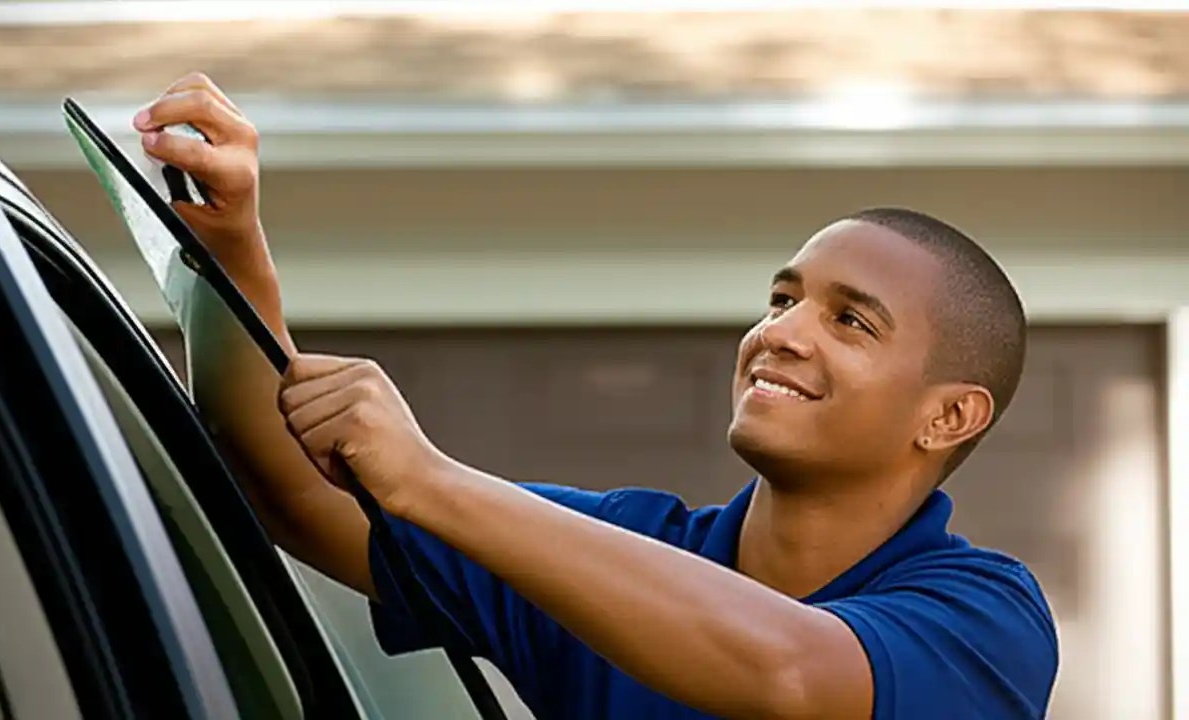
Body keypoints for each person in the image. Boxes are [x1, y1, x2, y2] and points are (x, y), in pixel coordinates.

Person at [133, 73, 1059, 719]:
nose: (781, 332)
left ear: (950, 416)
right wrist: (228, 248)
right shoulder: (618, 551)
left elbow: (788, 674)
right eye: (782, 300)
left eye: (851, 322)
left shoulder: (984, 615)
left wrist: (432, 481)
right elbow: (290, 491)